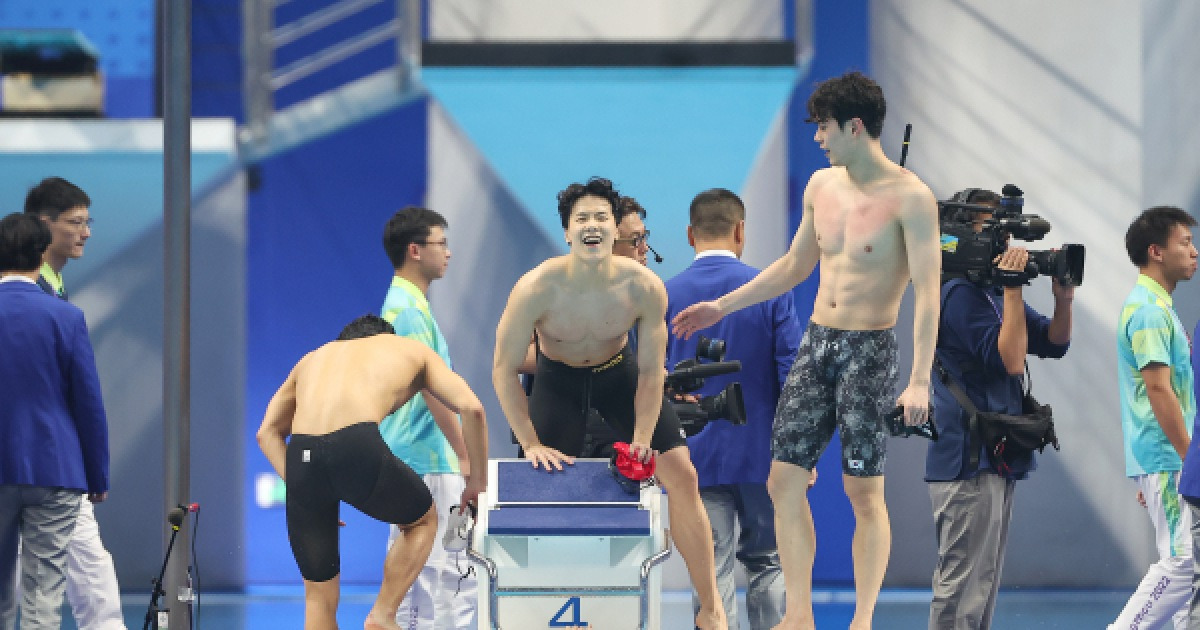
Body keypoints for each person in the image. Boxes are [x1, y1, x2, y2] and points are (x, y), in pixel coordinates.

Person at [672, 71, 941, 630]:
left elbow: (930, 295)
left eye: (823, 127)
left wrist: (919, 380)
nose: (818, 138)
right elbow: (794, 267)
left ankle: (863, 619)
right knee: (782, 481)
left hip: (869, 350)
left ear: (854, 126)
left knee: (862, 491)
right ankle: (799, 614)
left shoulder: (911, 199)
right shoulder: (822, 187)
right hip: (819, 344)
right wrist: (720, 306)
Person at [492, 177, 727, 630]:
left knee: (681, 472)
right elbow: (503, 369)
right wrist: (530, 441)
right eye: (583, 218)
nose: (593, 225)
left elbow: (650, 371)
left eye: (602, 217)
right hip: (556, 382)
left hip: (617, 376)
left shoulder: (643, 286)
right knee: (540, 486)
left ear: (613, 228)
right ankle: (532, 613)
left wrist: (642, 439)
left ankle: (712, 607)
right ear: (567, 232)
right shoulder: (535, 287)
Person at [256, 314, 489, 630]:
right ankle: (383, 613)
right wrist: (476, 479)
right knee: (422, 520)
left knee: (318, 600)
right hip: (355, 444)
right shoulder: (410, 349)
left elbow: (267, 432)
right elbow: (472, 408)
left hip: (302, 458)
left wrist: (303, 489)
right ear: (385, 337)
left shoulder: (311, 359)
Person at [924, 188, 1072, 629]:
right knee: (959, 593)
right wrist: (1011, 289)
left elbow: (1054, 342)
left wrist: (1063, 297)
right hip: (968, 462)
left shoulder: (989, 293)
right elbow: (1010, 358)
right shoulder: (958, 295)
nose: (1005, 245)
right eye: (992, 231)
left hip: (993, 459)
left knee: (981, 588)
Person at [664, 189, 801, 629]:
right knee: (770, 562)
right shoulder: (770, 292)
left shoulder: (664, 296)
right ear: (741, 230)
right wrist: (799, 452)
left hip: (691, 458)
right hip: (766, 457)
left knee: (711, 570)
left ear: (689, 234)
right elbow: (792, 375)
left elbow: (648, 381)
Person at [23, 176, 127, 630]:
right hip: (41, 465)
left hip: (55, 465)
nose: (85, 232)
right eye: (75, 223)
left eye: (88, 222)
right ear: (42, 226)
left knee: (90, 576)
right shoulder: (33, 296)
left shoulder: (55, 288)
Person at [0, 213, 110, 629]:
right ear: (39, 256)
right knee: (44, 596)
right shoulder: (67, 318)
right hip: (55, 469)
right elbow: (88, 403)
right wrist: (97, 475)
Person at [378, 206, 476, 629]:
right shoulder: (410, 311)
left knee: (443, 571)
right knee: (428, 574)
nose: (449, 253)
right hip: (426, 460)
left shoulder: (408, 304)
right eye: (442, 243)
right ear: (415, 250)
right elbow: (434, 389)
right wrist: (465, 453)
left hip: (423, 459)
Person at [1111, 206, 1197, 630]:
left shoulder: (1159, 306)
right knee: (1183, 561)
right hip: (1170, 456)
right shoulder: (1148, 310)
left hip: (1171, 458)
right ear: (1156, 251)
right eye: (1185, 242)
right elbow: (1158, 389)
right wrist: (1190, 459)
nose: (1195, 252)